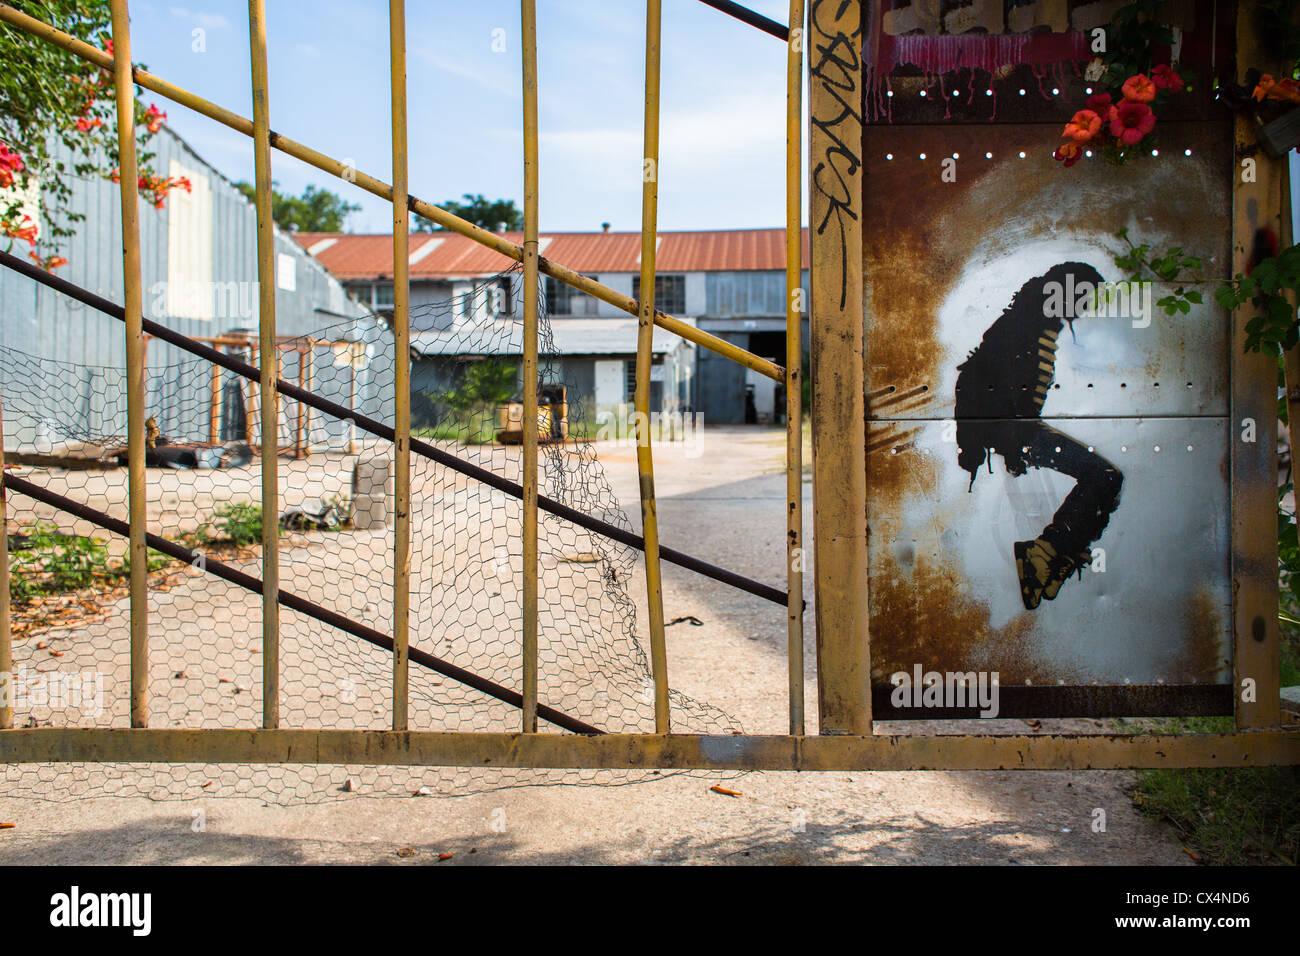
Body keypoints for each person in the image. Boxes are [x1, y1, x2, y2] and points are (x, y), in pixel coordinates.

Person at [954, 261, 1123, 610]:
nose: (1087, 306)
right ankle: (1044, 553)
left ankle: (1049, 557)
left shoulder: (1038, 324)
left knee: (1103, 478)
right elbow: (970, 379)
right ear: (1064, 293)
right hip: (1013, 432)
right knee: (1104, 476)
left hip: (1018, 430)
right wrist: (976, 445)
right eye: (1084, 297)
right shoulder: (1022, 326)